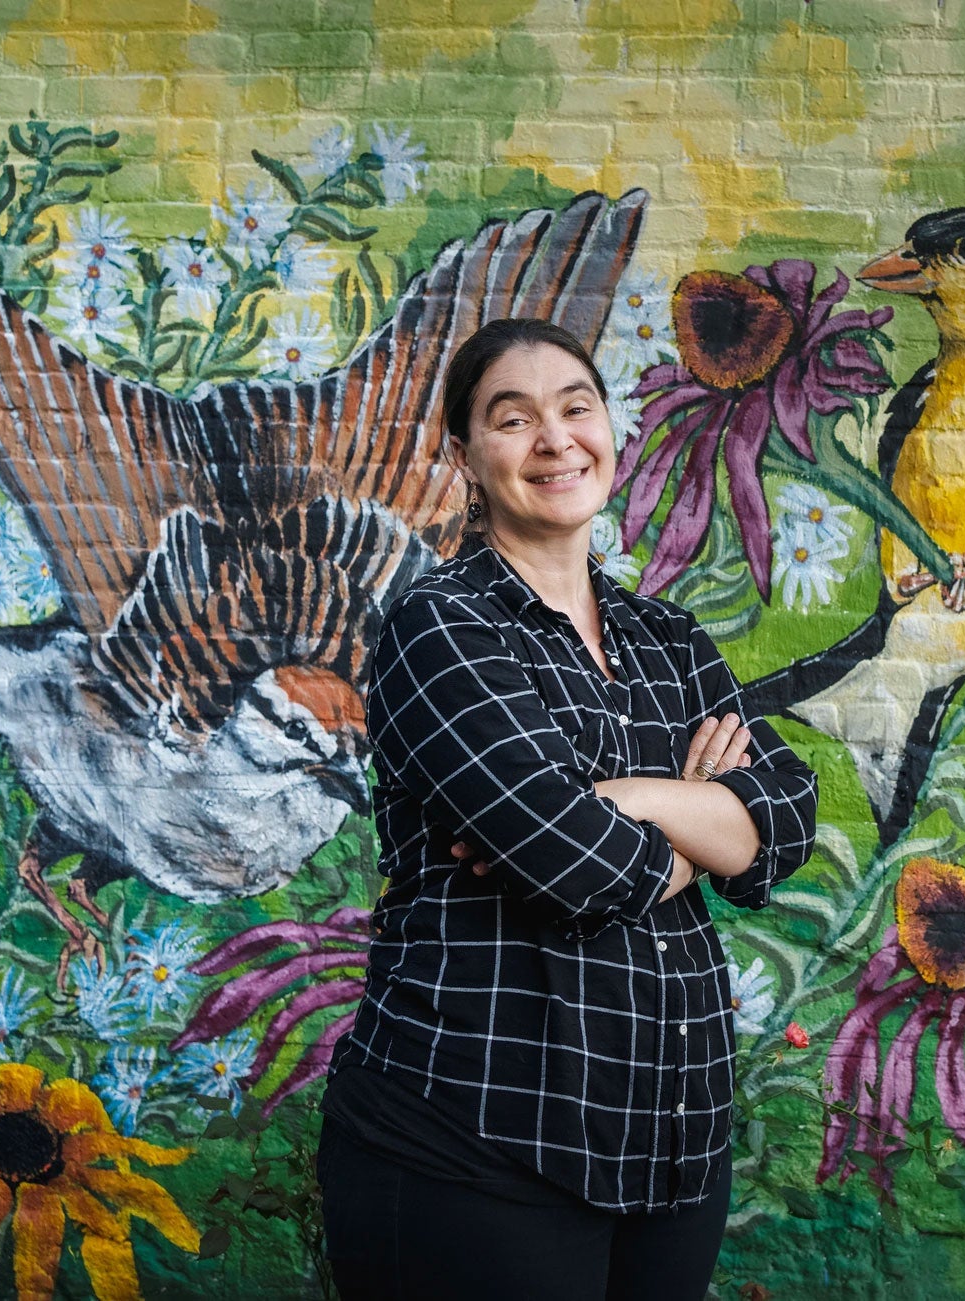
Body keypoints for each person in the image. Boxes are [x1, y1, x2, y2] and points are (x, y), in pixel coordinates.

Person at [317, 316, 819, 1300]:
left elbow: (787, 822)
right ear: (464, 456)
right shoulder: (439, 624)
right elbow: (579, 864)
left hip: (673, 1146)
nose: (554, 438)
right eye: (513, 418)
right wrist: (701, 819)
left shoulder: (668, 637)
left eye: (575, 407)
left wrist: (630, 797)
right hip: (477, 1140)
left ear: (610, 432)